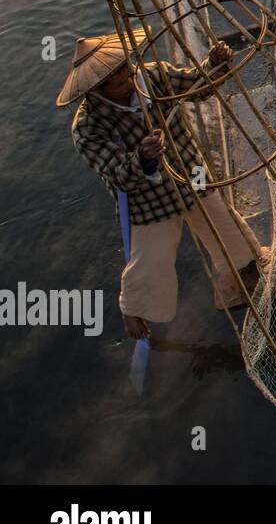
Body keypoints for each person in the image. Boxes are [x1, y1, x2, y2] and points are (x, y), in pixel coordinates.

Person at [56, 30, 262, 341]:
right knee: (152, 259)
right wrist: (142, 159)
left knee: (224, 227)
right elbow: (119, 176)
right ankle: (134, 310)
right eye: (115, 78)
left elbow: (197, 85)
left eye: (125, 67)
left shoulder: (153, 76)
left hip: (190, 174)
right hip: (147, 198)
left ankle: (244, 271)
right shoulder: (88, 127)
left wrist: (216, 64)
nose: (126, 77)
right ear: (96, 88)